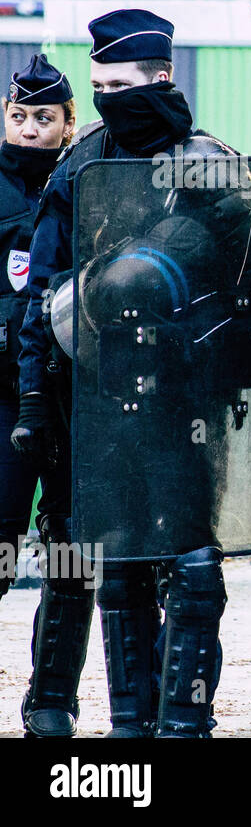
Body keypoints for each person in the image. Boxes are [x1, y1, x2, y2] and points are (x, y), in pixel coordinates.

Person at [13, 9, 251, 737]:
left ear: (161, 78)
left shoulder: (213, 163)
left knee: (190, 567)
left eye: (121, 84)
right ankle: (131, 728)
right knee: (118, 565)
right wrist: (34, 395)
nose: (107, 99)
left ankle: (184, 721)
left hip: (188, 397)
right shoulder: (80, 166)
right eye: (97, 86)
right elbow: (44, 292)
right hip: (99, 398)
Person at [0, 53, 90, 737]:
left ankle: (51, 700)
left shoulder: (89, 182)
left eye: (44, 118)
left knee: (69, 551)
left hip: (73, 397)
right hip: (4, 401)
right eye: (18, 115)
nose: (29, 129)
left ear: (68, 126)